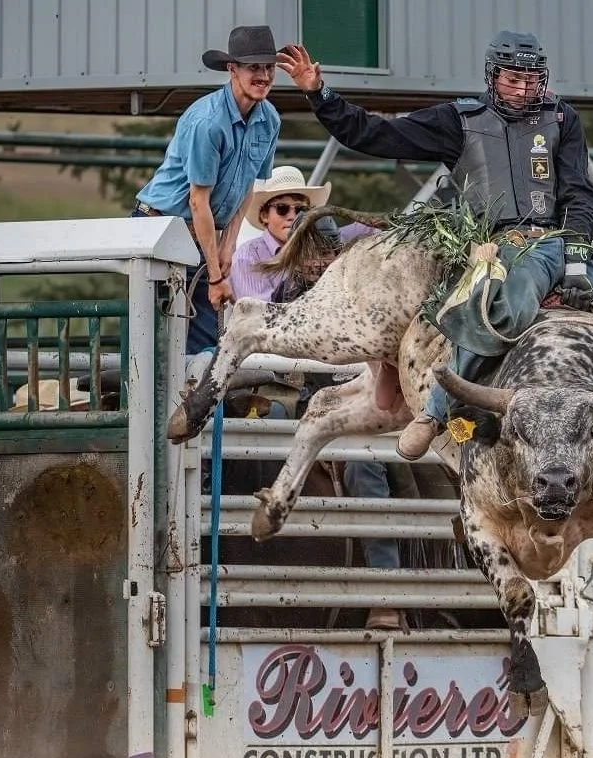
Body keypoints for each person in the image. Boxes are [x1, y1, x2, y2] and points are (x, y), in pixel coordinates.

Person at [275, 32, 593, 509]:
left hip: (567, 246)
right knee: (500, 314)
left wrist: (576, 255)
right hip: (501, 248)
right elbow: (375, 134)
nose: (523, 87)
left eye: (532, 79)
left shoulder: (562, 118)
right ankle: (433, 414)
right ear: (493, 78)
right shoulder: (459, 120)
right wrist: (320, 93)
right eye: (513, 78)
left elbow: (578, 192)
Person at [271, 214, 404, 631]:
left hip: (357, 397)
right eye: (312, 253)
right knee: (267, 429)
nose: (320, 261)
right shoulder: (287, 294)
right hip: (304, 396)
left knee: (366, 466)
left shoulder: (359, 290)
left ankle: (387, 593)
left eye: (328, 252)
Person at [131, 25, 282, 355]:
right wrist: (215, 276)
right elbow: (198, 201)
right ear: (232, 69)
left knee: (203, 340)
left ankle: (192, 406)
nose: (264, 75)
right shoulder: (208, 122)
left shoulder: (270, 119)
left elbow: (248, 186)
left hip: (204, 232)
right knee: (157, 338)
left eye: (269, 67)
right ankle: (148, 403)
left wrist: (228, 243)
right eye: (254, 67)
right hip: (160, 226)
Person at [231, 165, 332, 301]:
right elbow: (259, 315)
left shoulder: (321, 250)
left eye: (300, 210)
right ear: (264, 215)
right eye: (282, 208)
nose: (292, 216)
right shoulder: (247, 258)